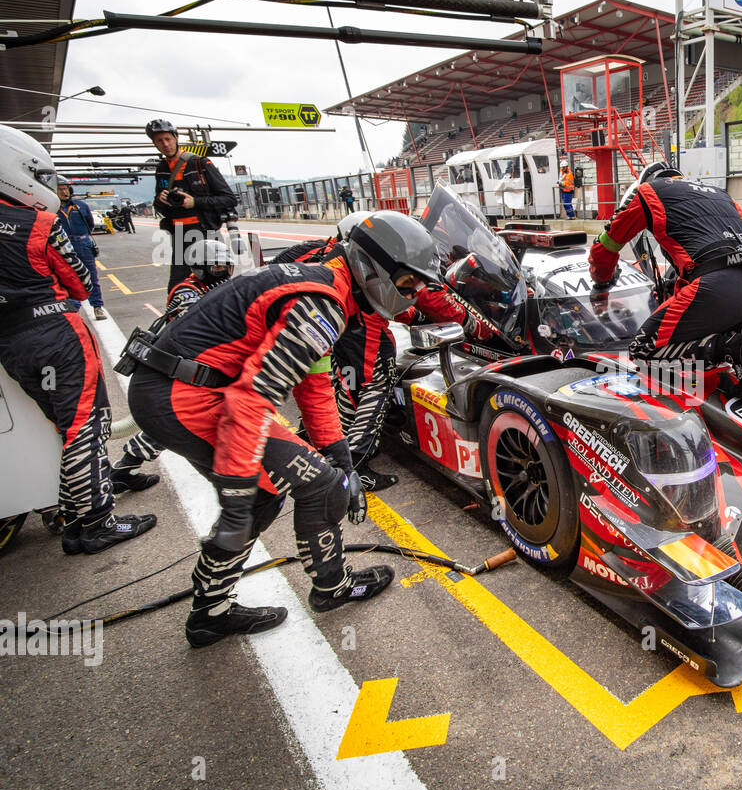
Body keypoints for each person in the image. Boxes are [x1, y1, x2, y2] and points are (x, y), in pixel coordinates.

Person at [126, 210, 443, 647]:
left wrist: (340, 455)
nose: (413, 296)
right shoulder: (323, 303)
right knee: (304, 490)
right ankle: (329, 588)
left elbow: (313, 384)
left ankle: (210, 613)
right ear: (375, 268)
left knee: (292, 488)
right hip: (186, 395)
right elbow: (255, 399)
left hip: (185, 388)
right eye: (409, 284)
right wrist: (236, 497)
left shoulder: (330, 290)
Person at [0, 124, 156, 554]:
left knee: (55, 424)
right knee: (85, 425)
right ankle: (96, 522)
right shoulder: (38, 222)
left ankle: (66, 509)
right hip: (55, 332)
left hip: (10, 344)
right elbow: (80, 280)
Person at [271, 211, 490, 491]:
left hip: (308, 322)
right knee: (371, 383)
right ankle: (353, 465)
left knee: (340, 380)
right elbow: (413, 292)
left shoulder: (326, 254)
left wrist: (416, 316)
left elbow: (393, 296)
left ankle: (314, 440)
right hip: (347, 323)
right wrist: (473, 323)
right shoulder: (347, 282)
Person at [588, 162, 742, 399]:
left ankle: (733, 349)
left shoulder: (648, 192)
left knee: (642, 350)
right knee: (721, 328)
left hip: (718, 285)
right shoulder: (721, 195)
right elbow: (708, 244)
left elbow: (605, 248)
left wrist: (601, 282)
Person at [110, 239, 238, 494]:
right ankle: (123, 469)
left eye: (227, 266)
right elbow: (204, 323)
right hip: (179, 368)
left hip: (193, 366)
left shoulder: (213, 286)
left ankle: (124, 468)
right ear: (200, 268)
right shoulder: (186, 291)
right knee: (175, 420)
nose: (223, 272)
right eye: (216, 267)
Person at [147, 118, 237, 293]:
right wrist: (160, 200)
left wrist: (195, 202)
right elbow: (161, 207)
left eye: (168, 139)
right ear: (154, 144)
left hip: (207, 233)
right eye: (159, 141)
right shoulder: (162, 169)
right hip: (180, 235)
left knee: (217, 288)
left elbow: (229, 199)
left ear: (175, 138)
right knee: (177, 288)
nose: (165, 144)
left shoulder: (200, 163)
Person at [54, 176, 107, 320]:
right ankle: (73, 308)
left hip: (83, 243)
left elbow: (90, 225)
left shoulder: (80, 206)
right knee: (67, 276)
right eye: (59, 189)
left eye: (65, 188)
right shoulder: (52, 207)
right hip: (62, 245)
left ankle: (97, 307)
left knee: (91, 276)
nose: (64, 192)